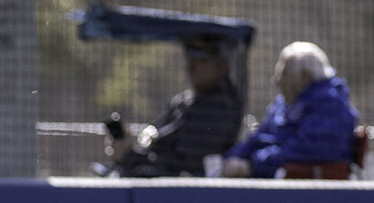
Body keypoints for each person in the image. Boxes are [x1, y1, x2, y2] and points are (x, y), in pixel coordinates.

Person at [112, 37, 243, 179]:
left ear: (223, 66)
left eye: (203, 59)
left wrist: (130, 158)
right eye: (190, 56)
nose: (192, 65)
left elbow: (181, 168)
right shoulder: (183, 101)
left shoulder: (218, 107)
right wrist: (127, 153)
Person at [222, 42, 357, 179]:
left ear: (305, 77)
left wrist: (253, 165)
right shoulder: (283, 105)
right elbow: (258, 137)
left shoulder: (331, 106)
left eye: (284, 74)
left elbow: (305, 150)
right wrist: (233, 158)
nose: (277, 80)